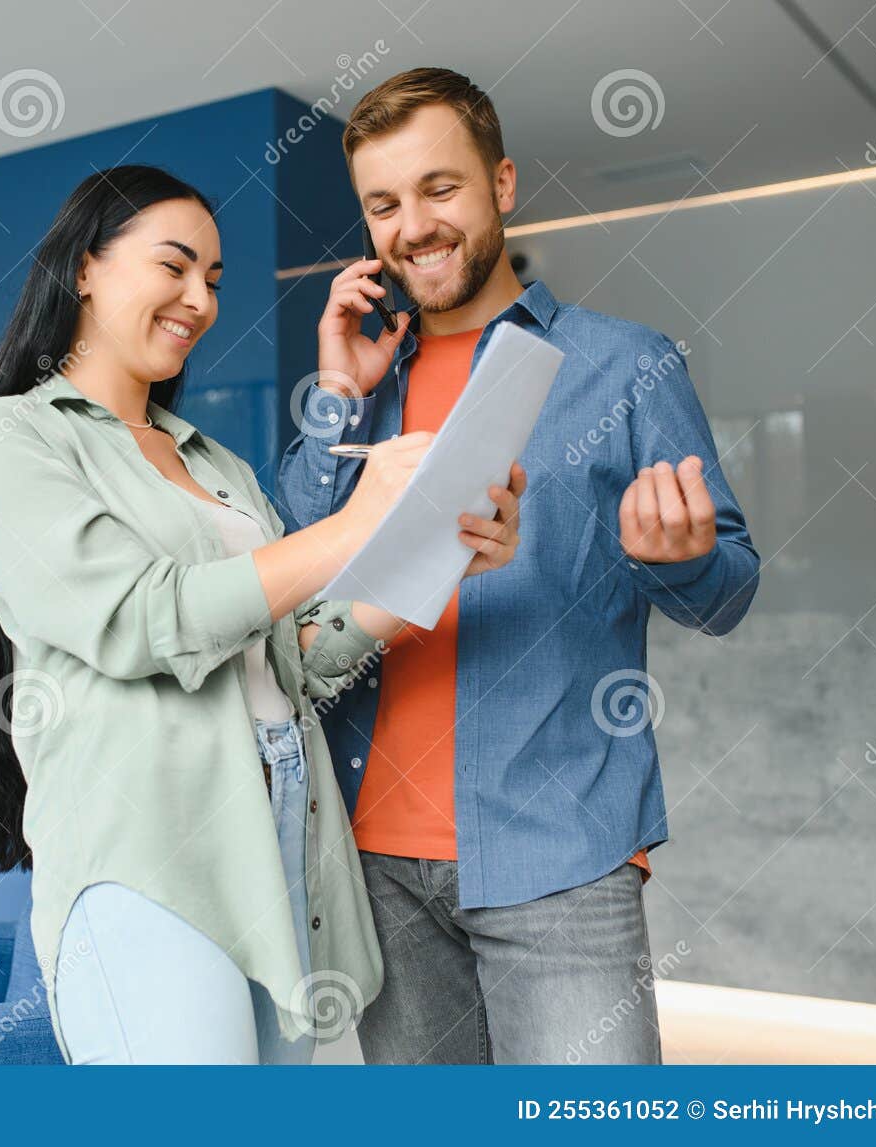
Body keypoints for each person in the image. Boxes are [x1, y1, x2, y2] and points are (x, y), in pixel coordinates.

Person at [0, 164, 524, 1064]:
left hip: (282, 833)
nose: (199, 299)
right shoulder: (12, 438)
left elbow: (300, 658)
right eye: (174, 266)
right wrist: (357, 522)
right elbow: (136, 616)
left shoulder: (218, 465)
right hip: (149, 848)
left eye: (214, 279)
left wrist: (438, 557)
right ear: (85, 269)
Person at [278, 69, 760, 1064]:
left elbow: (729, 591)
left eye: (438, 188)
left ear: (499, 185)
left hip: (561, 857)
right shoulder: (363, 391)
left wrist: (677, 560)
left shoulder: (624, 368)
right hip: (374, 868)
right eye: (383, 204)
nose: (412, 224)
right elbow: (296, 562)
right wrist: (333, 391)